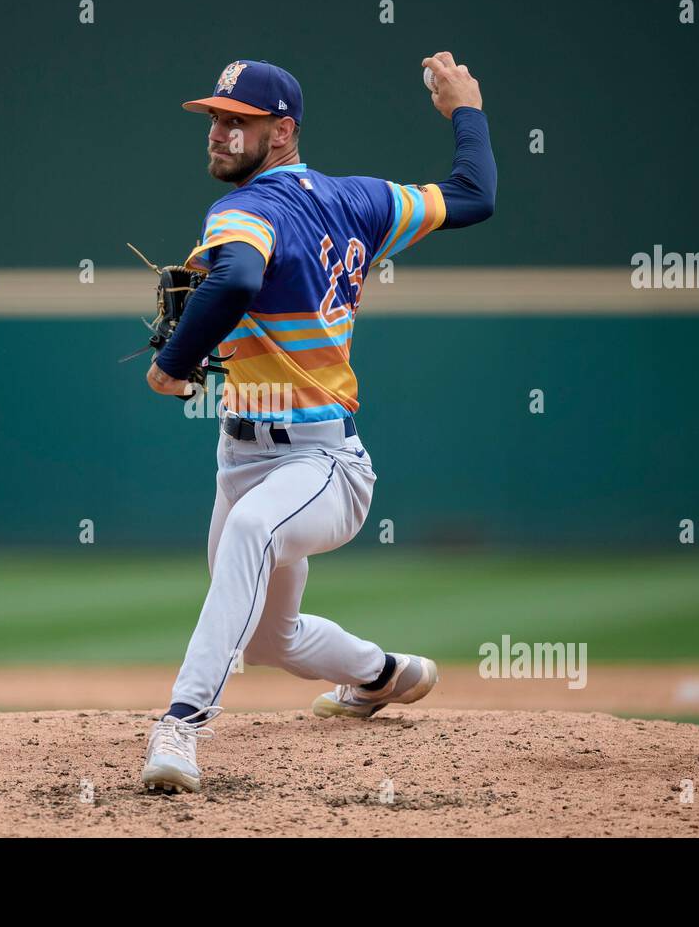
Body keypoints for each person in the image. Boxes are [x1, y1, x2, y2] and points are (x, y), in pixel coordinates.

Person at [141, 54, 497, 793]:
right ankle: (384, 676)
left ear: (282, 130)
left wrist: (174, 363)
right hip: (241, 460)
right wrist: (466, 113)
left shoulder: (243, 213)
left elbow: (237, 277)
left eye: (236, 123)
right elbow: (472, 193)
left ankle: (181, 726)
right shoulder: (359, 200)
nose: (217, 133)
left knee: (250, 535)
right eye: (214, 118)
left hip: (323, 464)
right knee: (273, 638)